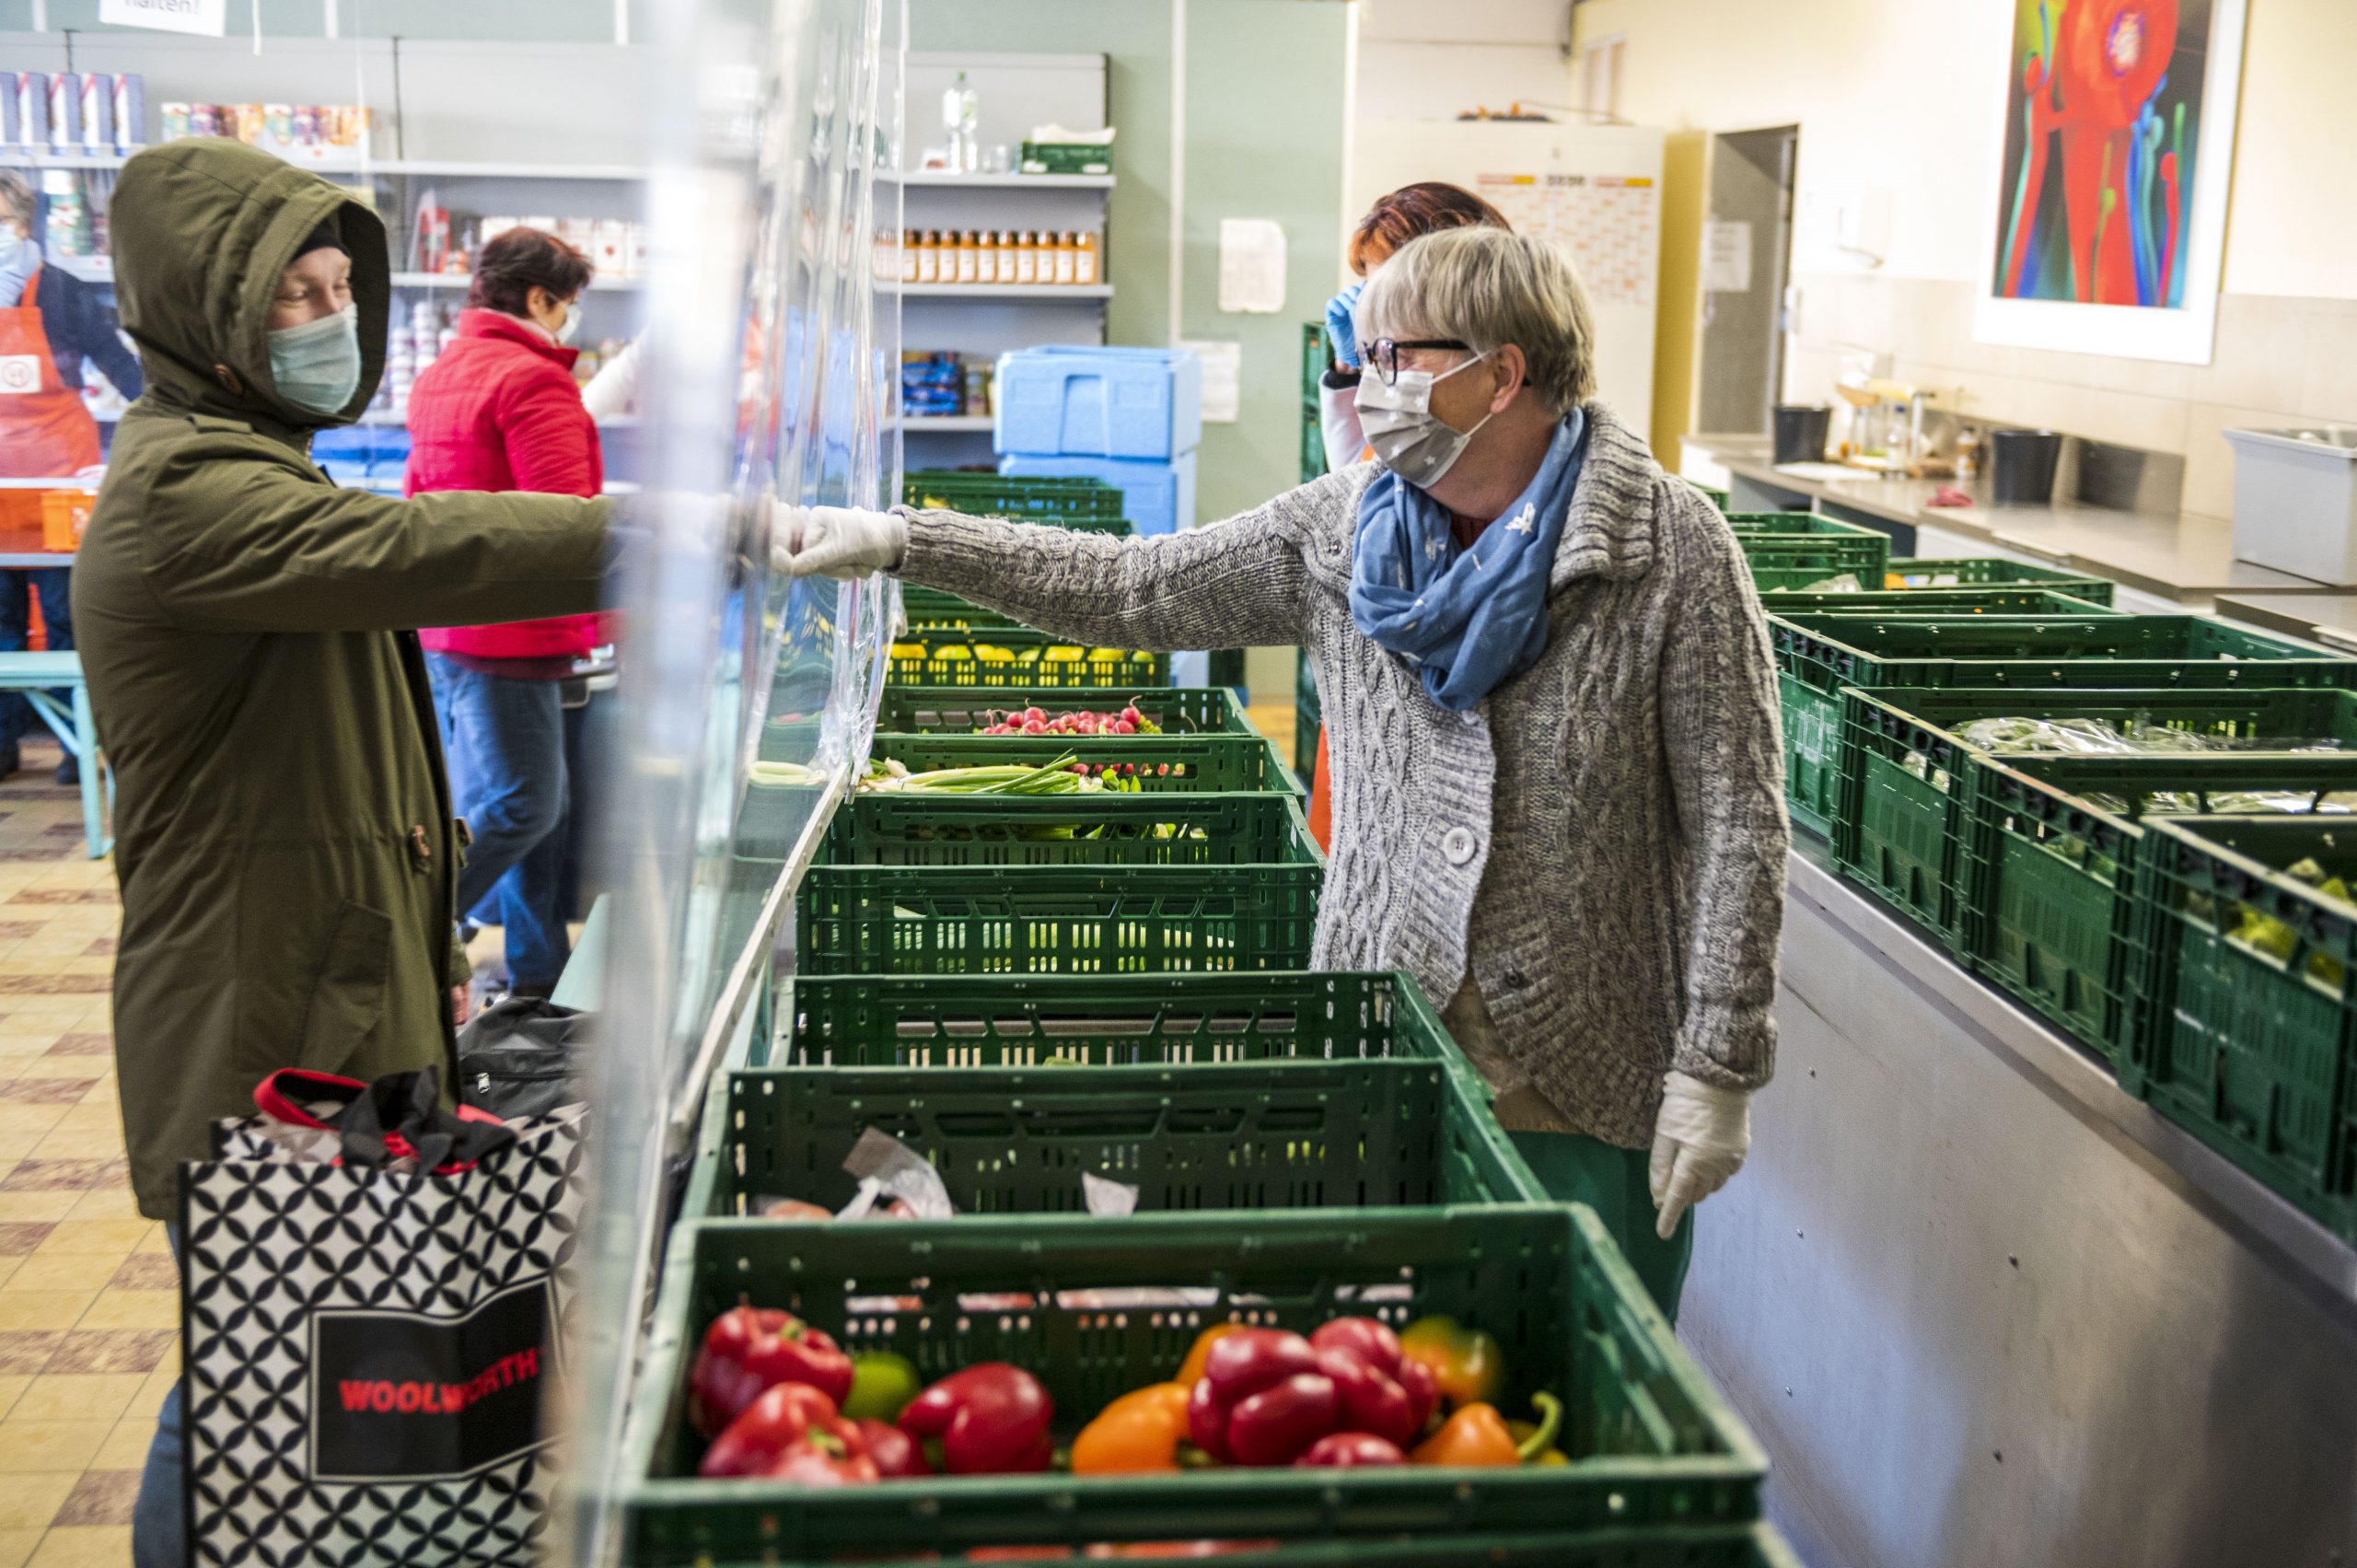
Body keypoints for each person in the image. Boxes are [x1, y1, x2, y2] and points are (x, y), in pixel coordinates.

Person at [781, 227, 1788, 1321]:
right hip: (1379, 1032)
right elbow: (1131, 587)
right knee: (1374, 1375)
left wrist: (1718, 1062)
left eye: (1401, 358)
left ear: (1502, 374)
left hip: (1588, 1067)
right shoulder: (1345, 526)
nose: (1370, 387)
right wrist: (902, 540)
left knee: (1568, 1371)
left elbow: (1738, 815)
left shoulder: (1672, 548)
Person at [73, 138, 617, 1568]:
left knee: (298, 1353)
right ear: (208, 314)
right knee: (251, 1366)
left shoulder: (261, 463)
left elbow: (370, 780)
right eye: (292, 297)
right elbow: (432, 551)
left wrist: (435, 956)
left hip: (336, 978)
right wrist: (684, 537)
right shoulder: (188, 491)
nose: (330, 321)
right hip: (252, 1003)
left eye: (338, 289)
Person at [408, 227, 609, 999]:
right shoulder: (532, 382)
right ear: (537, 298)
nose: (568, 321)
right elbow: (562, 525)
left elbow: (419, 500)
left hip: (450, 624)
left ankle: (535, 973)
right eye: (567, 306)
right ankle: (419, 923)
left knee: (531, 805)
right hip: (514, 630)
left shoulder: (442, 374)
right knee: (527, 804)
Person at [1307, 182, 1509, 849]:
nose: (1372, 303)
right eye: (1365, 282)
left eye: (1386, 280)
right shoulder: (1400, 373)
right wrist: (1355, 367)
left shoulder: (1497, 422)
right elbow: (1362, 477)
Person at [0, 168, 144, 784]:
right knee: (1, 619)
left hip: (59, 481)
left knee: (65, 614)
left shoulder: (62, 292)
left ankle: (76, 749)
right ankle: (4, 745)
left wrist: (152, 435)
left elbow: (120, 366)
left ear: (23, 225)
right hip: (1, 489)